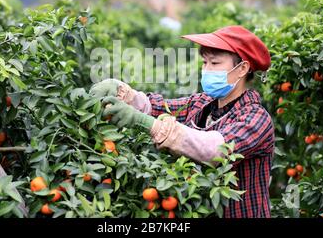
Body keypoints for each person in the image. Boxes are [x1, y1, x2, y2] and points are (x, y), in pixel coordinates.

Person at [89, 25, 275, 218]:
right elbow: (155, 106)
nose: (207, 70)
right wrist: (122, 92)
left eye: (215, 63)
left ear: (242, 68)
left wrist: (144, 122)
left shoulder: (256, 118)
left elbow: (215, 150)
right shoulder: (201, 103)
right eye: (205, 63)